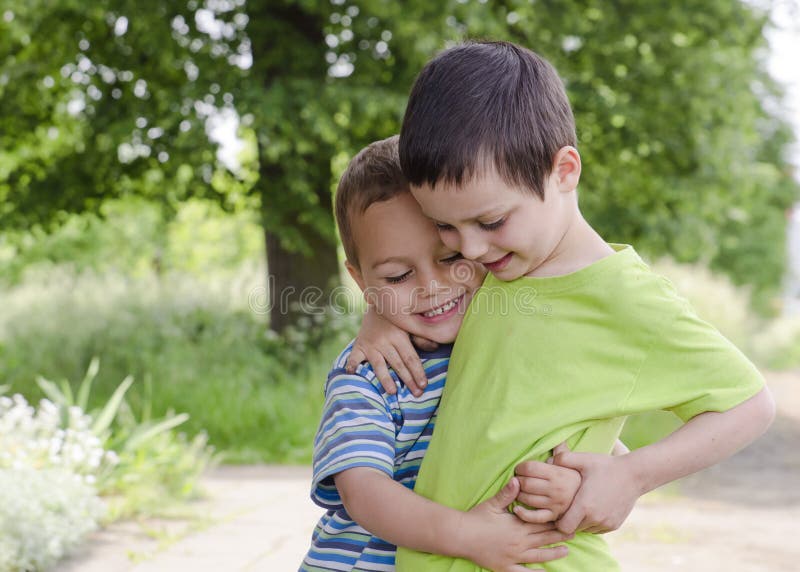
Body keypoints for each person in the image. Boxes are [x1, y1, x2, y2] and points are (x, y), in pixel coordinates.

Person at [349, 41, 775, 571]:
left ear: (565, 170)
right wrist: (376, 316)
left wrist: (630, 475)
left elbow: (749, 404)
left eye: (490, 222)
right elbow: (403, 263)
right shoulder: (493, 267)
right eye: (445, 226)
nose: (470, 248)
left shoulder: (625, 298)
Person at [299, 135, 583, 572]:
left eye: (452, 258)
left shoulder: (512, 346)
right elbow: (363, 491)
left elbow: (580, 441)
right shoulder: (369, 372)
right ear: (361, 282)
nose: (432, 288)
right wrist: (471, 537)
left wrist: (570, 479)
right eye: (398, 276)